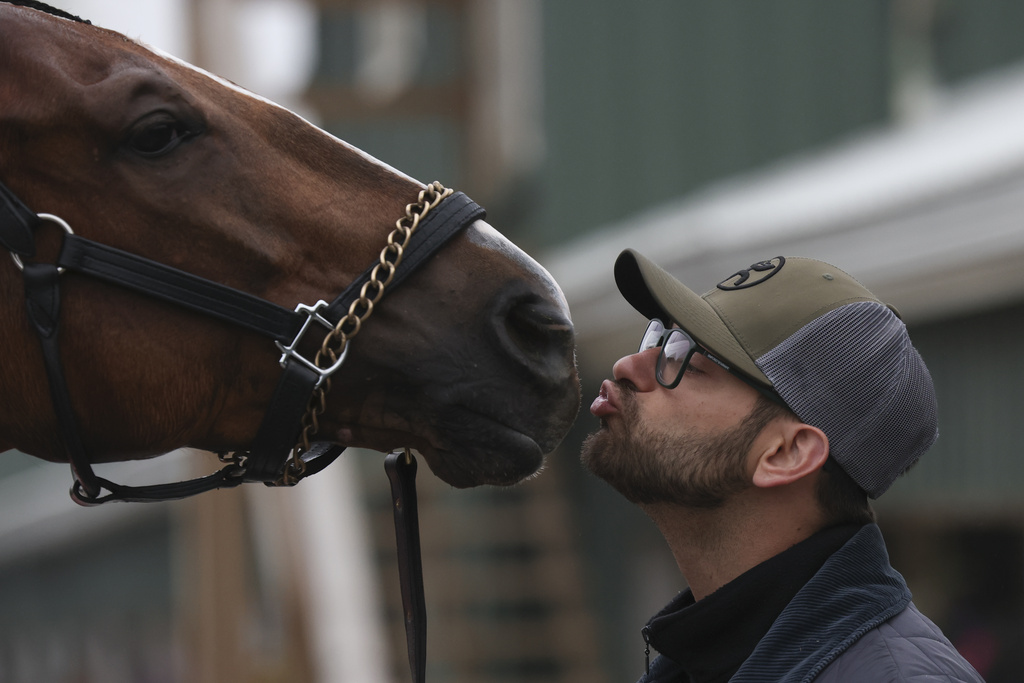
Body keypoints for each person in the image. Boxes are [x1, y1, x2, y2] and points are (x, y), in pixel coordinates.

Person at [582, 250, 984, 683]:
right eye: (659, 340)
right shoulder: (703, 660)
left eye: (687, 361)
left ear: (785, 454)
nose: (627, 365)